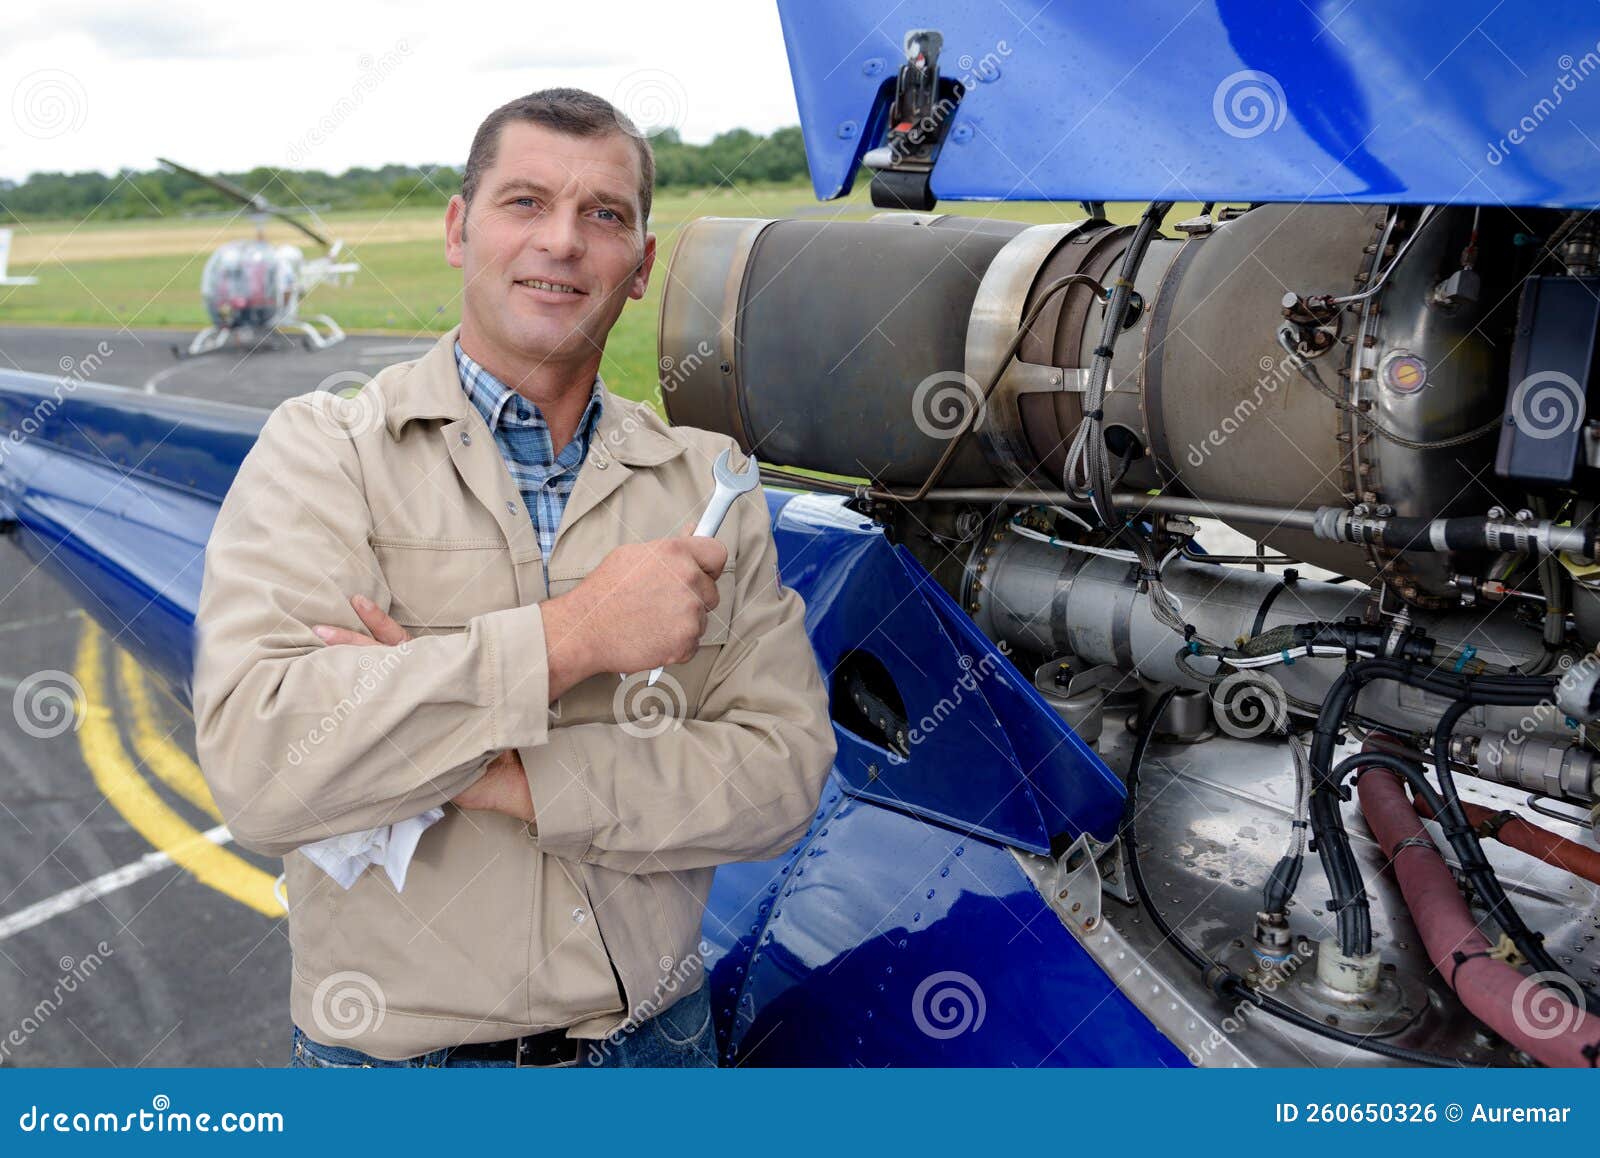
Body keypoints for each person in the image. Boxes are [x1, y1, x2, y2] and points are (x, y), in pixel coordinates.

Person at [191, 88, 837, 1068]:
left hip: (657, 1050)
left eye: (604, 215)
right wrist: (573, 636)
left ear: (639, 269)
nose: (564, 242)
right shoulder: (326, 451)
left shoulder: (706, 482)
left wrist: (502, 771)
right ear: (460, 229)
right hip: (404, 1075)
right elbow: (263, 766)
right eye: (525, 202)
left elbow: (780, 778)